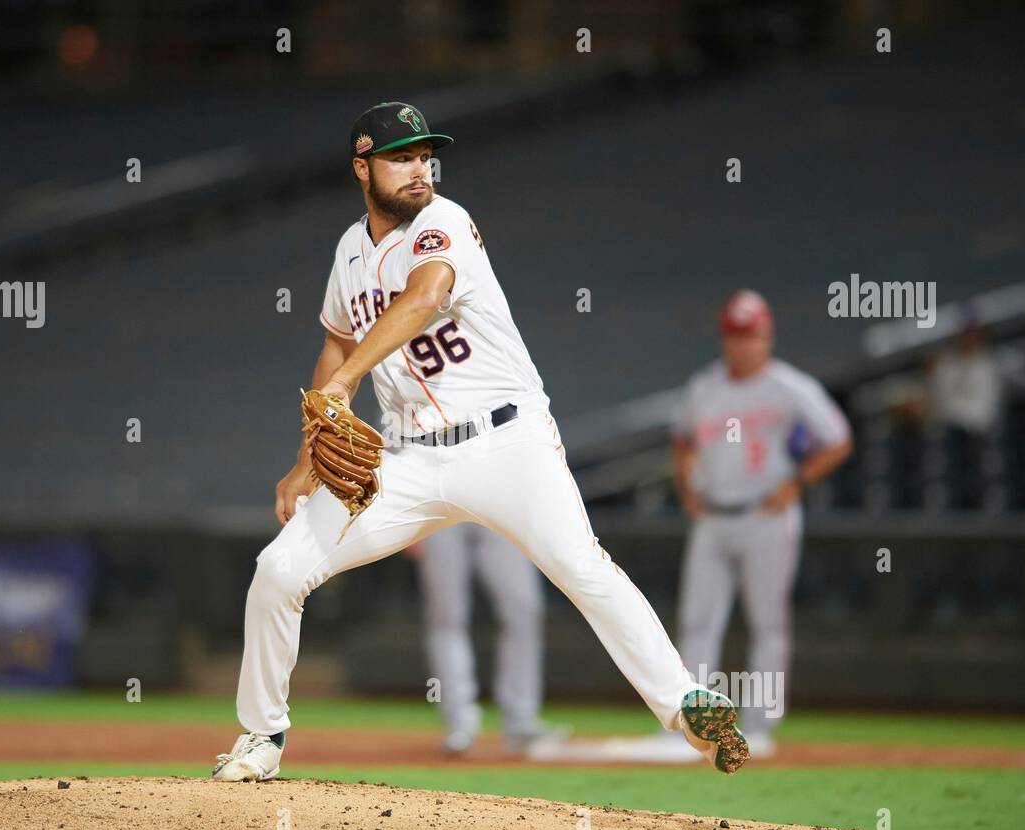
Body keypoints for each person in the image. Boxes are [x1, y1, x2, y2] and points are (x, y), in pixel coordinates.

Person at [212, 101, 750, 782]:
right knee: (279, 572)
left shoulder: (445, 221)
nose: (419, 169)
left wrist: (347, 381)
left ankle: (686, 706)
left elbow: (423, 300)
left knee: (581, 567)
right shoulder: (349, 252)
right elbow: (337, 341)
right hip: (405, 461)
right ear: (361, 168)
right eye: (400, 157)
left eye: (424, 155)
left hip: (506, 444)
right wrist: (306, 461)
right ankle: (262, 738)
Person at [667, 290, 852, 759]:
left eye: (752, 335)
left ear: (767, 337)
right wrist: (687, 488)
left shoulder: (789, 386)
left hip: (766, 514)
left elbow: (838, 439)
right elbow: (682, 440)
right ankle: (690, 723)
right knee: (696, 622)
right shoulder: (703, 386)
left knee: (768, 622)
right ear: (724, 338)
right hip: (712, 515)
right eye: (736, 335)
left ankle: (762, 726)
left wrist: (798, 481)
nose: (744, 344)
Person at [408, 524, 567, 756]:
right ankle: (459, 724)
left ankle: (521, 721)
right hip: (439, 509)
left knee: (523, 610)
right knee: (446, 616)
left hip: (496, 509)